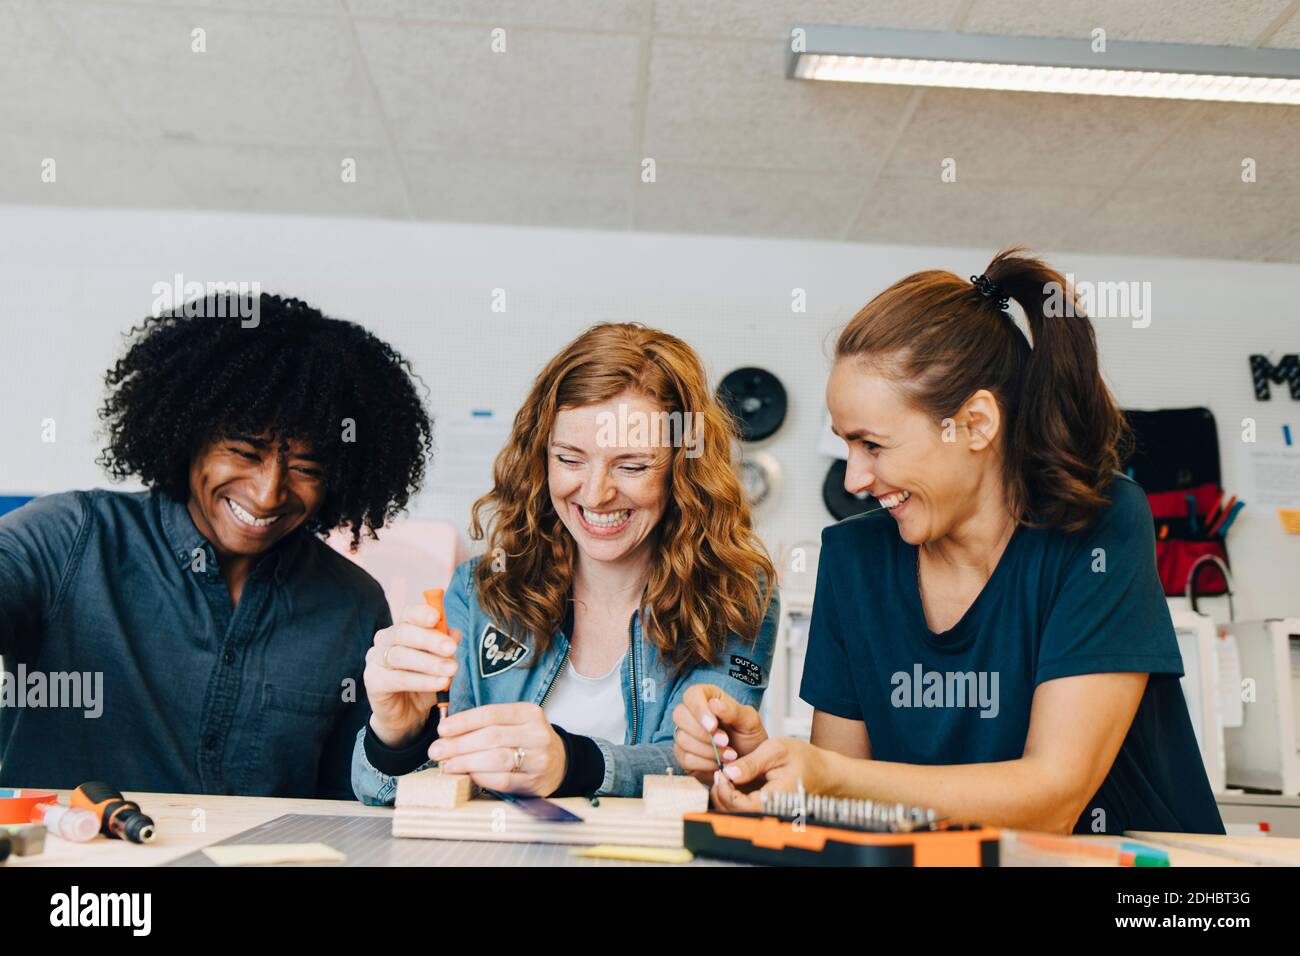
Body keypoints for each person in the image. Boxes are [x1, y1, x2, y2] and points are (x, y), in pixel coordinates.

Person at [673, 249, 1224, 835]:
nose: (855, 479)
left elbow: (1052, 799)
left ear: (976, 424)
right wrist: (766, 772)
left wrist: (828, 774)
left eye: (873, 446)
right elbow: (843, 813)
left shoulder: (1098, 525)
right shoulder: (855, 560)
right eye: (845, 446)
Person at [0, 293, 432, 798]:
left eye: (306, 469)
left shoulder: (352, 604)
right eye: (244, 453)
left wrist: (400, 739)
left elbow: (359, 803)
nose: (268, 493)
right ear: (188, 435)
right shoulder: (73, 535)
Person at [353, 323, 778, 802]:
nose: (596, 494)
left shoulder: (738, 595)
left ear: (685, 470)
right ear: (541, 457)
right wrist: (398, 736)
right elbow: (400, 788)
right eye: (570, 459)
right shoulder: (479, 589)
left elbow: (706, 768)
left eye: (632, 465)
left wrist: (572, 763)